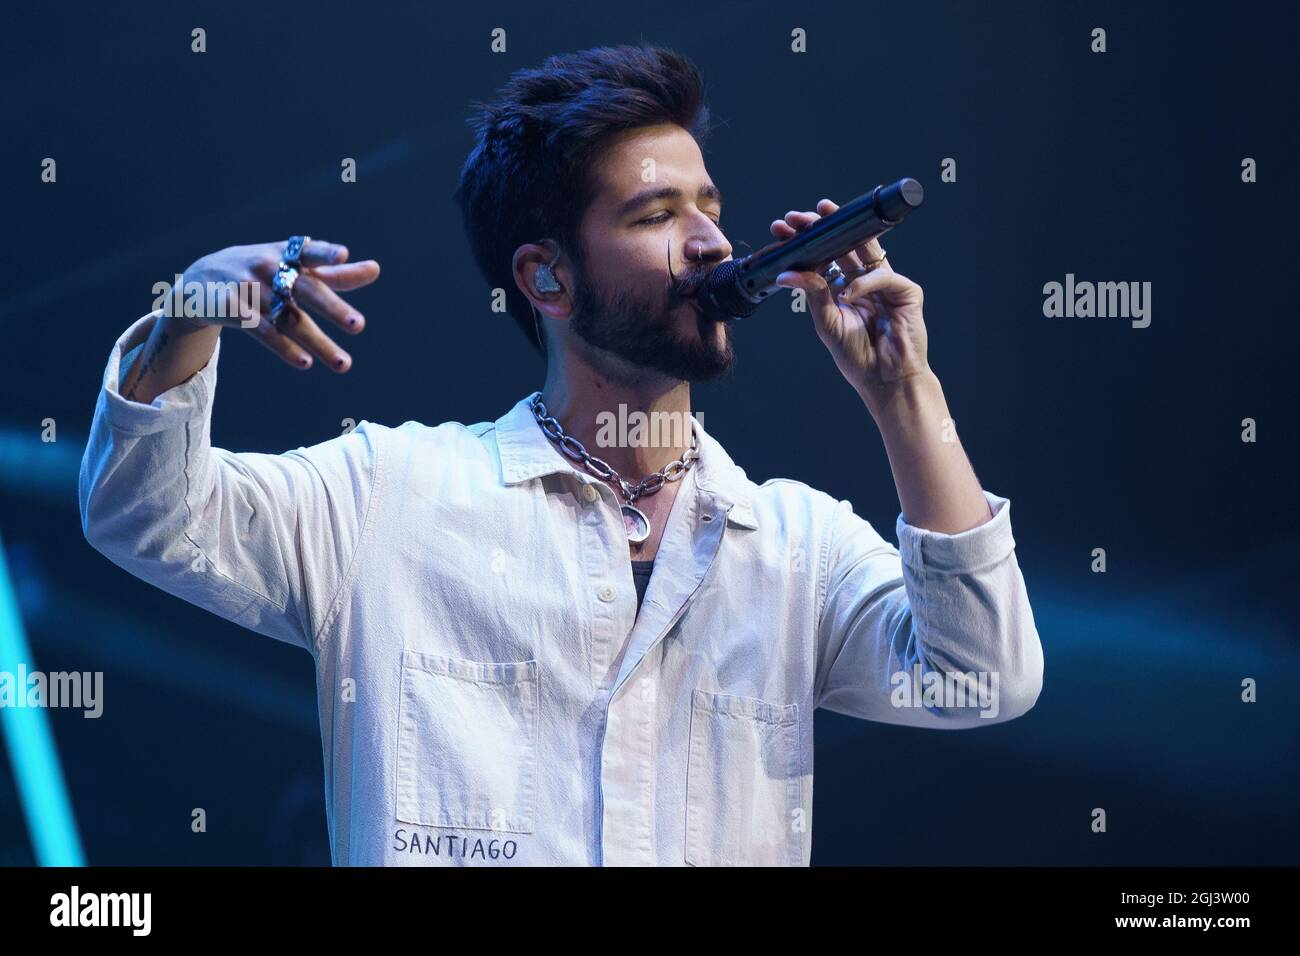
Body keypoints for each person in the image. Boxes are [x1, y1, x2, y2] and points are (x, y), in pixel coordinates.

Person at [79, 43, 1043, 866]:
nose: (712, 241)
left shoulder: (799, 544)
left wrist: (902, 391)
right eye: (657, 215)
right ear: (547, 275)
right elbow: (148, 514)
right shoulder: (388, 497)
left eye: (710, 206)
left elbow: (980, 677)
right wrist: (184, 318)